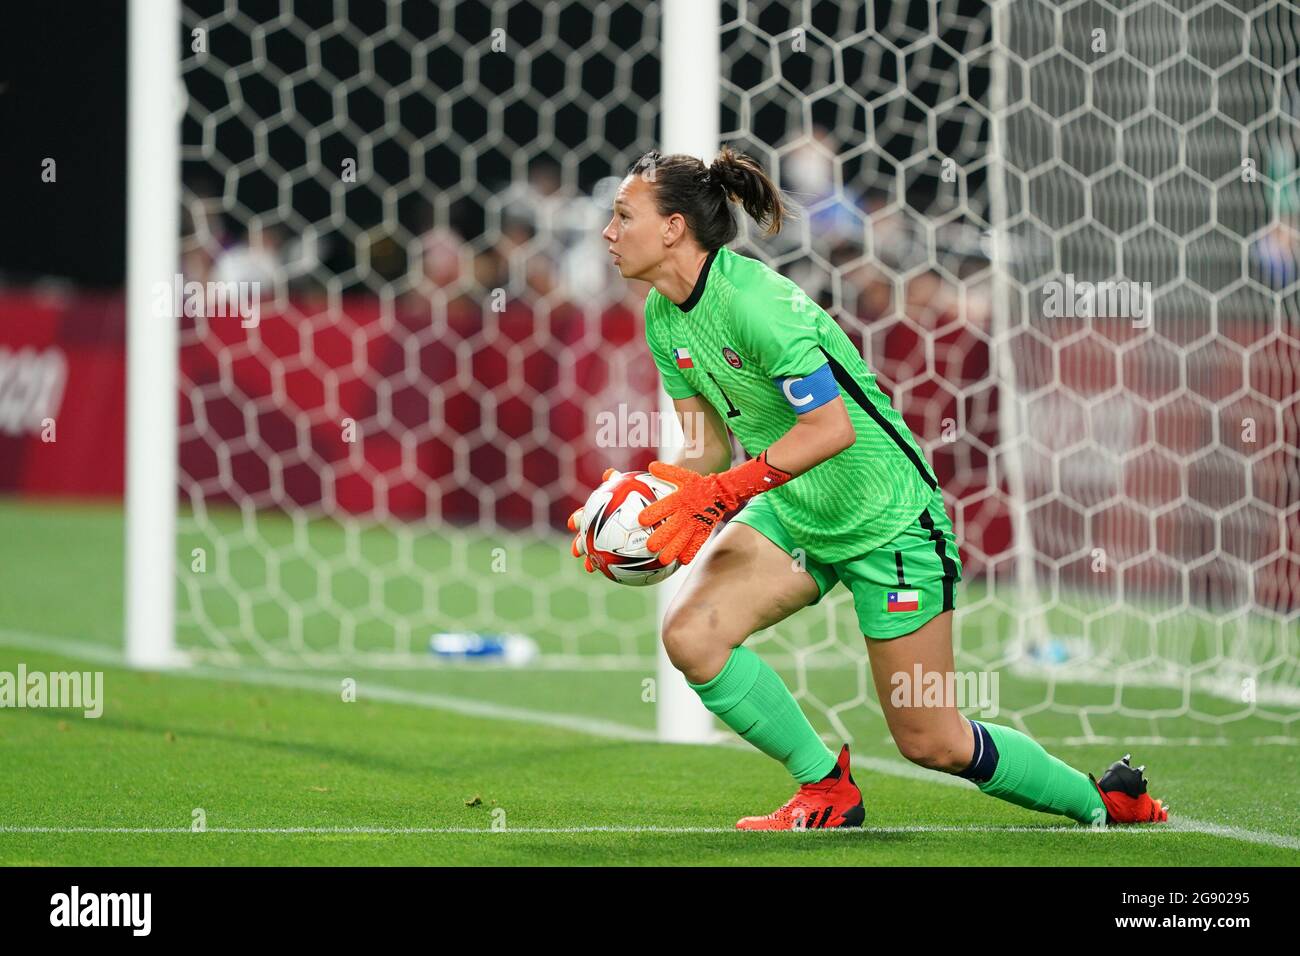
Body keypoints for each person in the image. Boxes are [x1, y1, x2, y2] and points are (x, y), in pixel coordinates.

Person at [569, 147, 1168, 831]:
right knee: (693, 637)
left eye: (623, 215)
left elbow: (829, 430)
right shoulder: (661, 315)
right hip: (795, 512)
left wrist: (727, 492)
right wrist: (648, 504)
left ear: (674, 227)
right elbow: (703, 447)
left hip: (888, 520)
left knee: (931, 741)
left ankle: (1106, 802)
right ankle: (827, 790)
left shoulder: (759, 306)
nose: (609, 233)